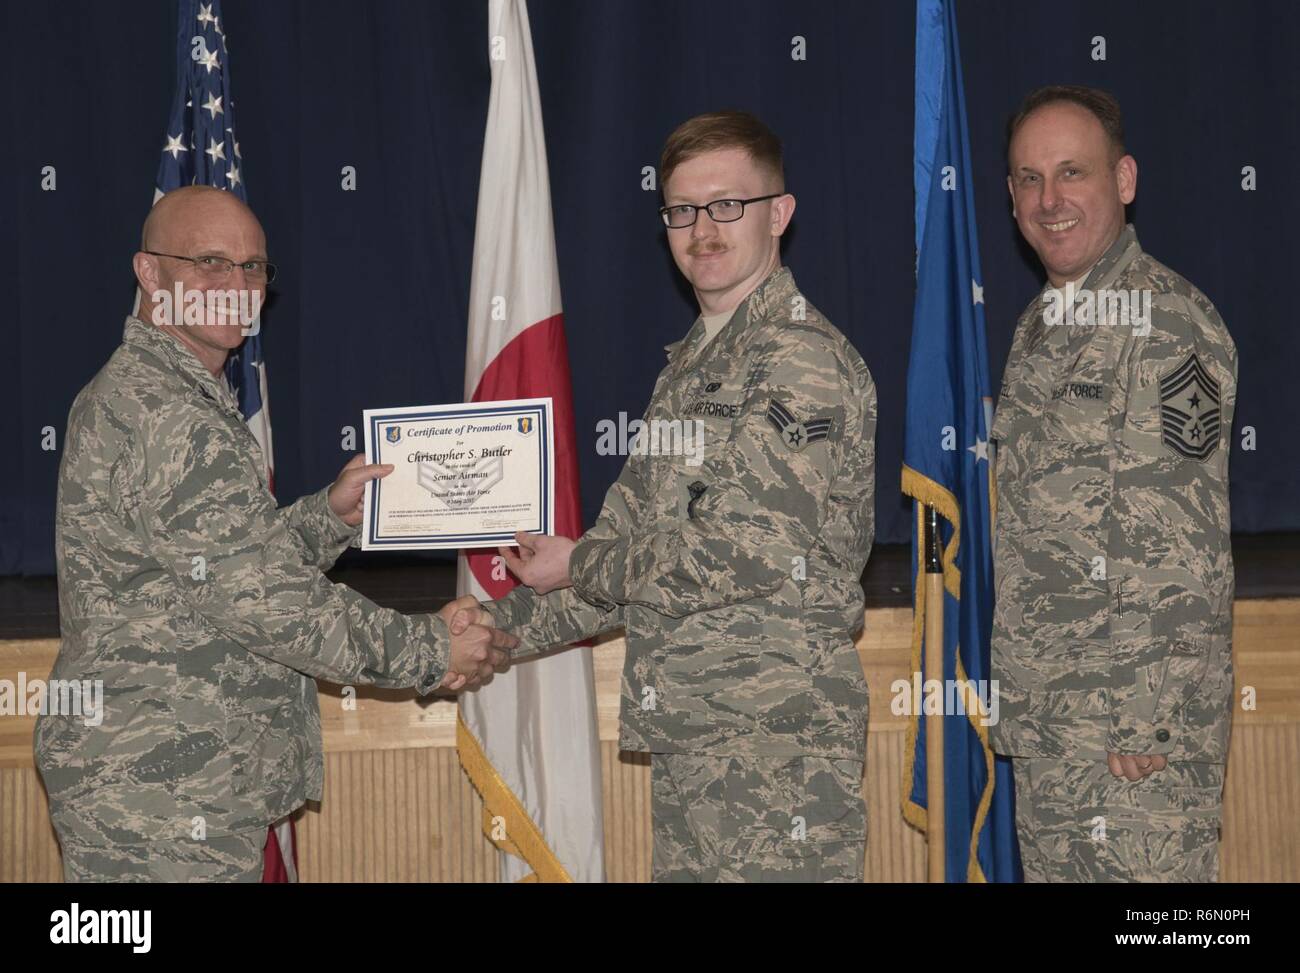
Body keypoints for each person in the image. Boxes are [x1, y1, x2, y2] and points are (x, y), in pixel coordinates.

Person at [35, 185, 515, 882]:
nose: (237, 285)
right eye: (210, 262)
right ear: (149, 272)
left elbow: (215, 575)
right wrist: (429, 648)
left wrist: (331, 516)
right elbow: (272, 603)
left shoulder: (166, 393)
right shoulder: (167, 412)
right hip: (158, 798)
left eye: (254, 268)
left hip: (176, 779)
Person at [489, 111, 877, 882]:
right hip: (701, 741)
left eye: (728, 204)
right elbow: (626, 566)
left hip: (777, 752)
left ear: (780, 214)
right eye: (683, 209)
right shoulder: (693, 368)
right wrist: (481, 633)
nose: (703, 227)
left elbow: (744, 552)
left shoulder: (798, 359)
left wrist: (581, 563)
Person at [990, 86, 1237, 882]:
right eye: (1029, 179)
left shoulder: (1165, 324)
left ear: (1124, 179)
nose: (1050, 199)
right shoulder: (1042, 328)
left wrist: (1148, 718)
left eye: (1073, 172)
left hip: (1132, 744)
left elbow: (1178, 544)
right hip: (1056, 726)